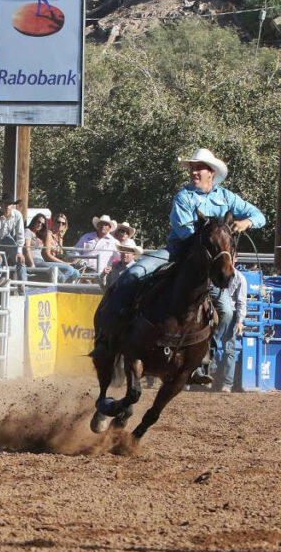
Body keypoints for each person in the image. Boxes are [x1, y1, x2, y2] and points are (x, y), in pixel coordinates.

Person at [93, 148, 265, 362]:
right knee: (133, 274)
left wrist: (245, 222)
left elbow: (258, 215)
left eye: (198, 168)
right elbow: (184, 231)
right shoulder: (184, 197)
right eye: (192, 168)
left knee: (228, 312)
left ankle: (204, 352)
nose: (194, 172)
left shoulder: (226, 197)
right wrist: (214, 235)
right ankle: (107, 336)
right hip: (177, 252)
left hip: (208, 263)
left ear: (211, 173)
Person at [211, 270, 247, 393]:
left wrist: (239, 321)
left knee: (229, 348)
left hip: (230, 316)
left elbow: (241, 301)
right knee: (210, 345)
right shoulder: (214, 274)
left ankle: (227, 383)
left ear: (235, 259)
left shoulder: (239, 278)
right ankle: (211, 376)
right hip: (214, 313)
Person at [0, 196, 27, 283]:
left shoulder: (17, 215)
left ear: (13, 206)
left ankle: (23, 285)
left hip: (6, 238)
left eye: (9, 204)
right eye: (5, 204)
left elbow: (20, 234)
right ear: (1, 204)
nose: (7, 206)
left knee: (20, 259)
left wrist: (19, 252)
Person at [40, 213, 81, 283]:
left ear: (65, 225)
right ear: (54, 223)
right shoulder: (49, 234)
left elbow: (60, 254)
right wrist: (64, 263)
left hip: (56, 263)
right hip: (48, 262)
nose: (60, 225)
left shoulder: (59, 237)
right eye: (58, 222)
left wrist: (71, 261)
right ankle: (59, 286)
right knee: (69, 269)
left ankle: (63, 288)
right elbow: (47, 255)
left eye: (63, 223)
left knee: (76, 273)